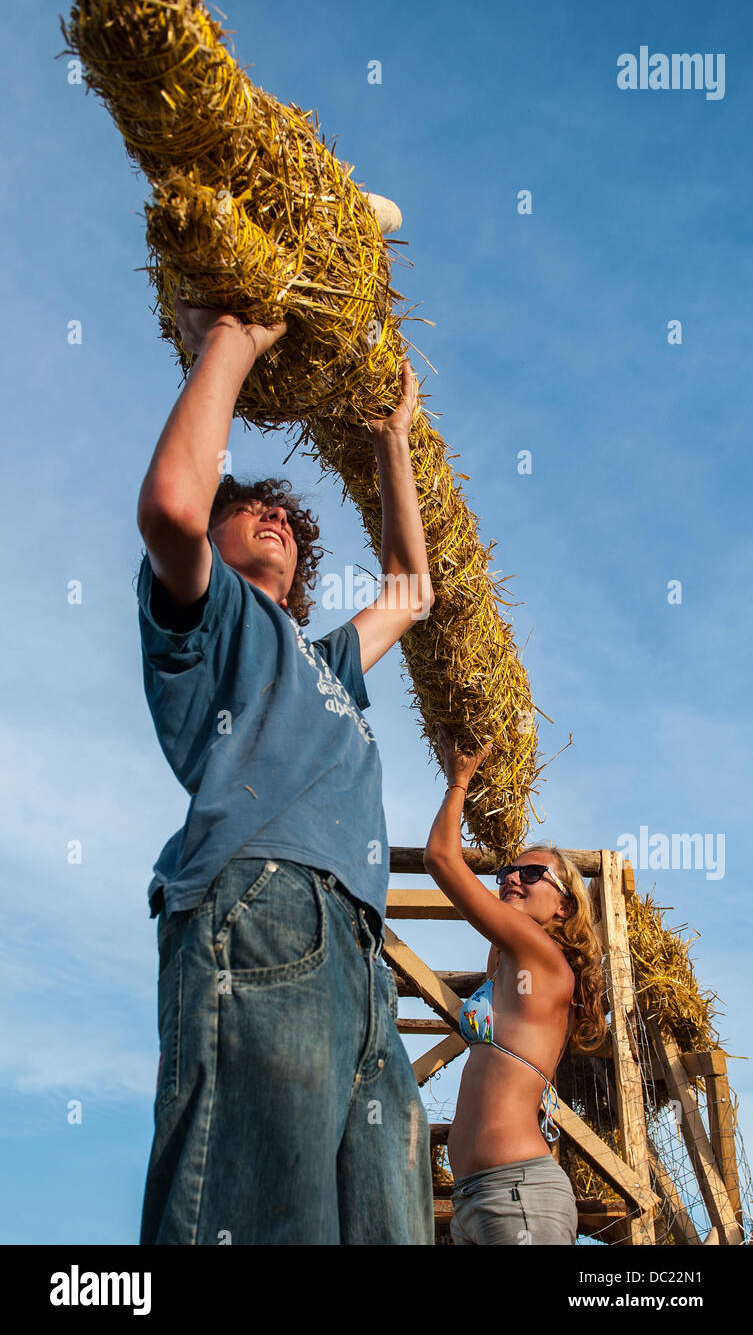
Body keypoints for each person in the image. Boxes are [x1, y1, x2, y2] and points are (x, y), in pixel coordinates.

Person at [135, 291, 436, 1244]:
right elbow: (176, 505)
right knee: (256, 1213)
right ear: (216, 550)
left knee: (387, 1224)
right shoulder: (212, 617)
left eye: (285, 516)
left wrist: (392, 439)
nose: (271, 515)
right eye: (249, 509)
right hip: (263, 908)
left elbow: (410, 592)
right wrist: (226, 342)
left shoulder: (322, 659)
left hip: (358, 944)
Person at [423, 722, 606, 1245]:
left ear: (564, 905)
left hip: (519, 1193)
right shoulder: (510, 966)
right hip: (474, 1198)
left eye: (530, 875)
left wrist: (458, 781)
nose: (510, 878)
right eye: (507, 871)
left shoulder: (541, 957)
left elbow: (441, 860)